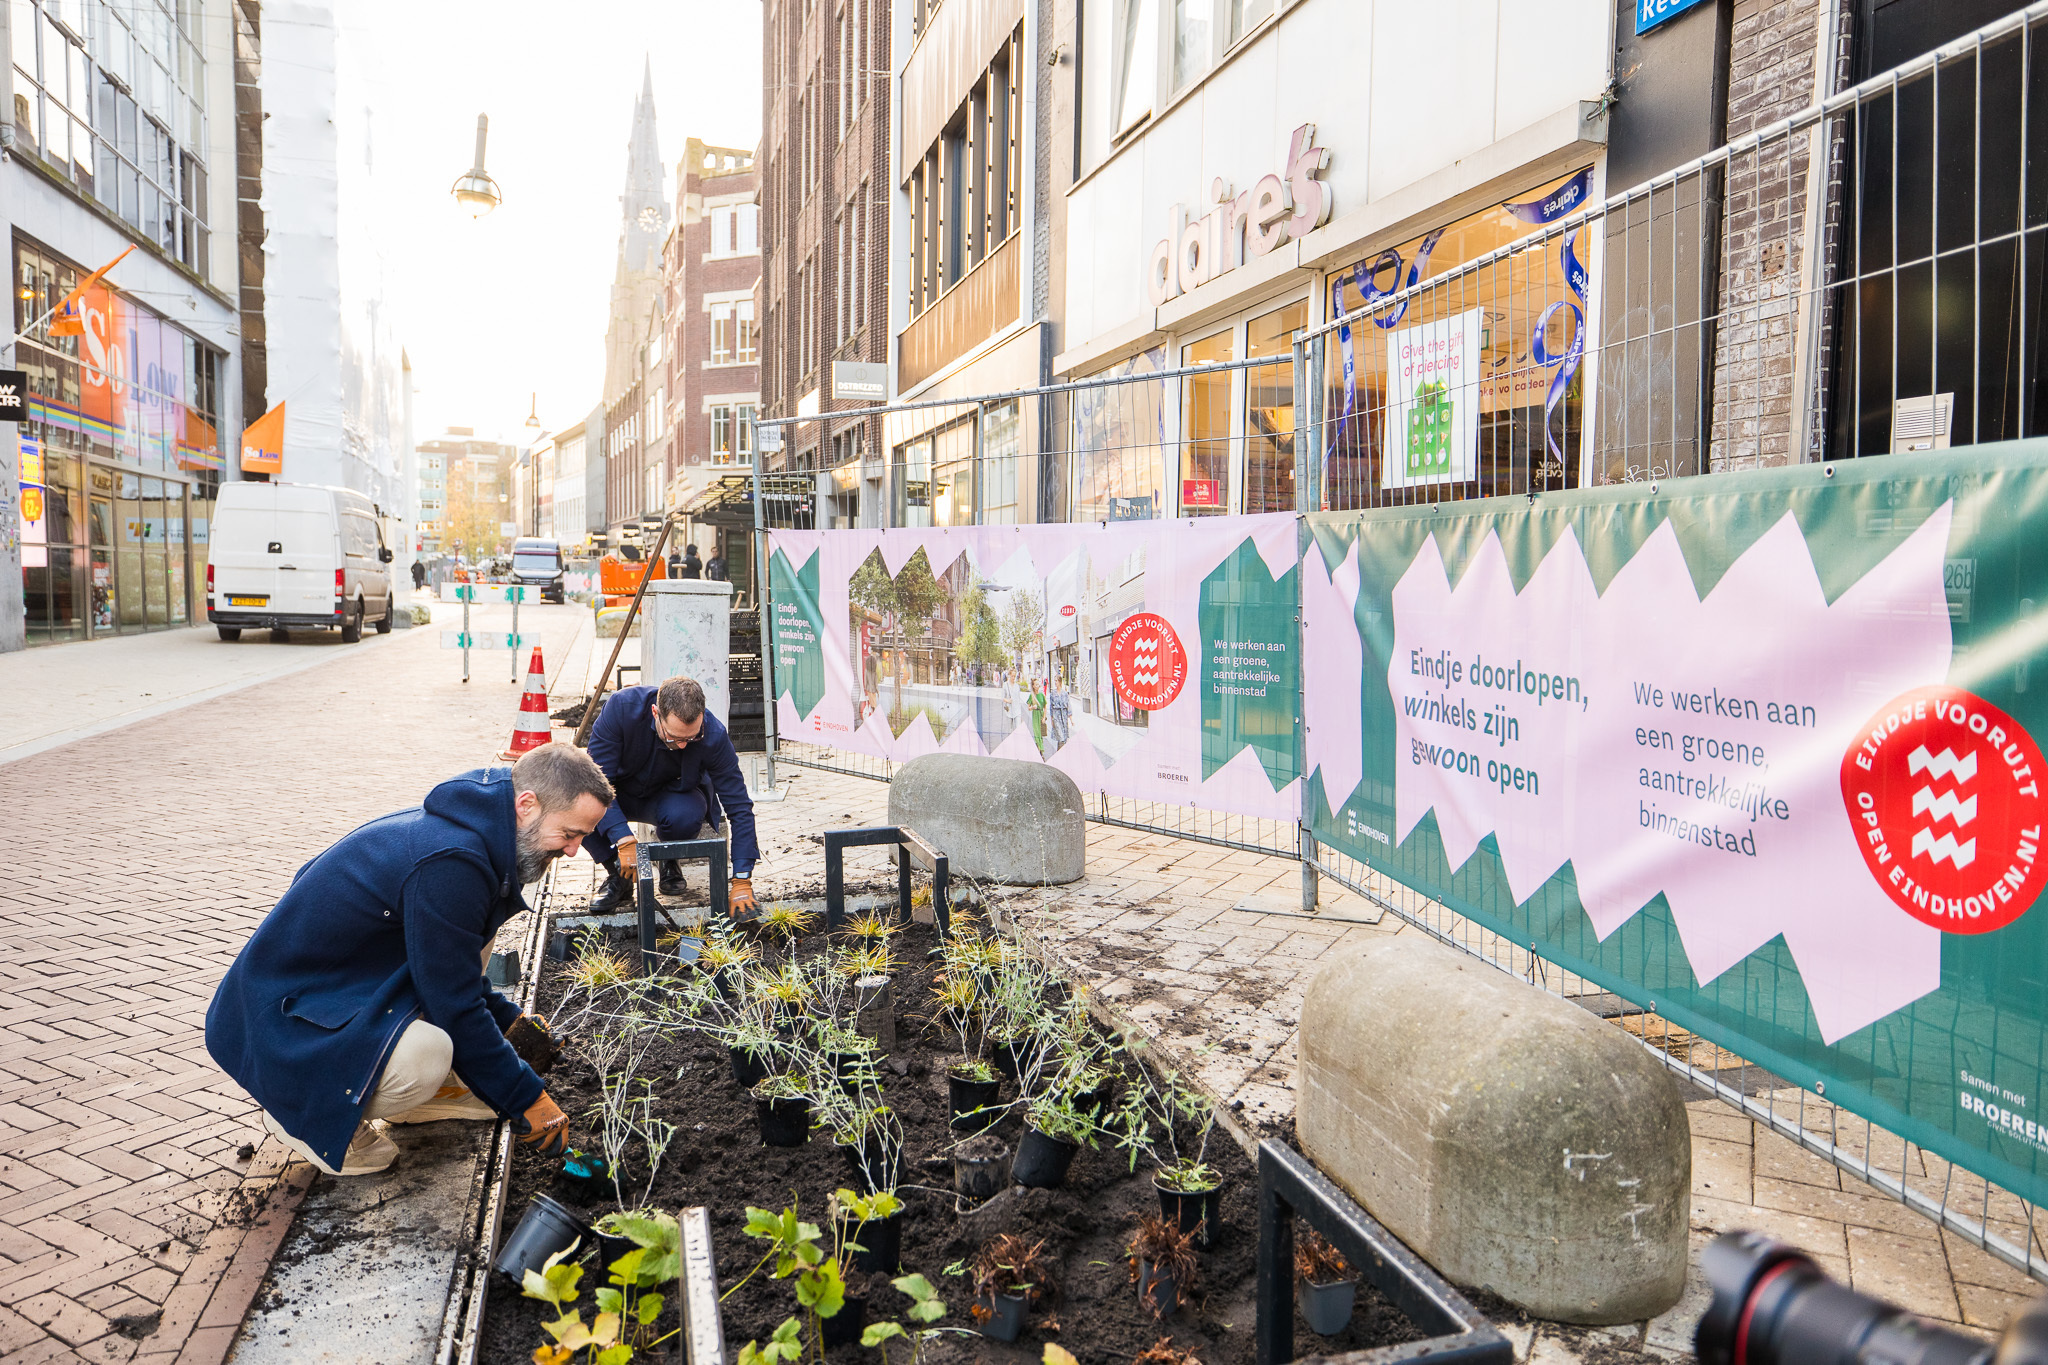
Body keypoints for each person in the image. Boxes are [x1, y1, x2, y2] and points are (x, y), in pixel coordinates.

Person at [204, 745, 612, 1176]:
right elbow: (452, 1003)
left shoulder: (475, 835)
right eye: (570, 834)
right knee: (427, 1055)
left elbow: (450, 968)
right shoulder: (453, 864)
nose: (573, 851)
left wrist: (509, 1020)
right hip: (281, 1019)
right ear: (526, 805)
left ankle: (422, 1097)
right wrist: (526, 1097)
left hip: (340, 985)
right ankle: (301, 1109)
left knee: (476, 946)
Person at [582, 675, 760, 918]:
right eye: (674, 737)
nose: (684, 745)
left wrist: (742, 878)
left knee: (687, 813)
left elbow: (738, 805)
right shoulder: (621, 708)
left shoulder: (714, 734)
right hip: (617, 792)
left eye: (691, 738)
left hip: (669, 797)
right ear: (656, 712)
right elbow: (597, 782)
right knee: (576, 800)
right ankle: (619, 875)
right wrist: (622, 839)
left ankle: (669, 857)